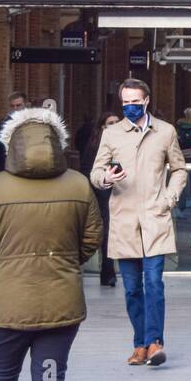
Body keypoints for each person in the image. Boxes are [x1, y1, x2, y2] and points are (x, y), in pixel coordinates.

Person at [0, 108, 102, 381]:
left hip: (7, 304)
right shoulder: (78, 185)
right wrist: (69, 263)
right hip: (61, 303)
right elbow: (92, 237)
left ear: (11, 145)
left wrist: (0, 268)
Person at [90, 79, 187, 367]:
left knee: (154, 283)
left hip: (155, 218)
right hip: (124, 219)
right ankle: (140, 343)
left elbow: (180, 169)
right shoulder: (112, 133)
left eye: (135, 101)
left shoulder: (165, 132)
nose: (129, 107)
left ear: (146, 101)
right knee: (132, 288)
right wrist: (106, 178)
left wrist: (169, 198)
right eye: (125, 102)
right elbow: (95, 171)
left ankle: (155, 342)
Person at [81, 110, 121, 287]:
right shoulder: (94, 146)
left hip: (123, 195)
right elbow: (87, 171)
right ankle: (108, 271)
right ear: (103, 127)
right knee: (106, 235)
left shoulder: (125, 145)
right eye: (110, 123)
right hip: (102, 196)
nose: (114, 126)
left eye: (116, 122)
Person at [0, 91, 29, 178]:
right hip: (8, 171)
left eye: (18, 105)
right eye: (12, 106)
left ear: (25, 105)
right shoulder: (2, 125)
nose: (15, 108)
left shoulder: (33, 123)